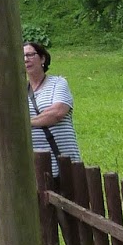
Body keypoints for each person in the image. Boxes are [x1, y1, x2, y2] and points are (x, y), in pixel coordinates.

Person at [24, 40, 81, 177]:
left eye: (30, 55)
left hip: (64, 162)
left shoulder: (58, 83)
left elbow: (57, 112)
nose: (26, 60)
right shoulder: (20, 91)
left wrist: (26, 122)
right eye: (23, 57)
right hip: (36, 167)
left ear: (42, 58)